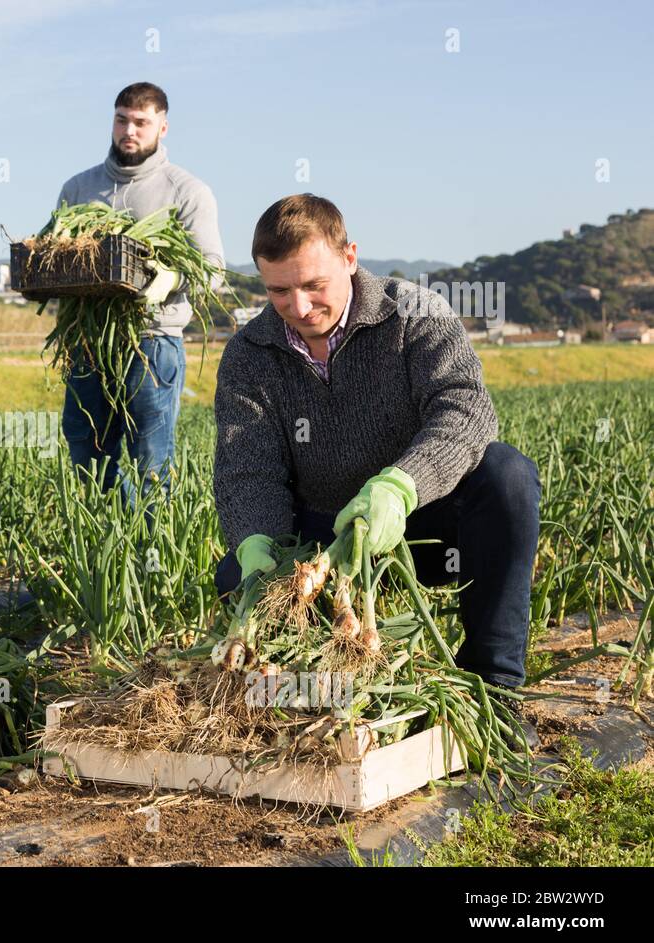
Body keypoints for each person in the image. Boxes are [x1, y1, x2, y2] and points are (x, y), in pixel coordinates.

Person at [212, 194, 541, 695]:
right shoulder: (250, 353)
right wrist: (260, 542)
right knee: (237, 570)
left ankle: (493, 682)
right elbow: (247, 468)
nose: (298, 307)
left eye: (314, 285)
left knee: (507, 476)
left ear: (350, 258)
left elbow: (466, 410)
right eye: (279, 291)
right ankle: (303, 687)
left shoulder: (414, 313)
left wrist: (400, 486)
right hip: (320, 536)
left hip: (418, 522)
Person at [54, 81, 225, 492]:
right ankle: (107, 538)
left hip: (153, 341)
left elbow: (214, 270)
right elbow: (56, 251)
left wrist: (169, 279)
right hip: (88, 342)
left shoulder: (187, 191)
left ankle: (151, 548)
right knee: (85, 443)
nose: (129, 130)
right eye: (121, 120)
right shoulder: (78, 188)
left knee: (150, 454)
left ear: (162, 128)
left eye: (141, 123)